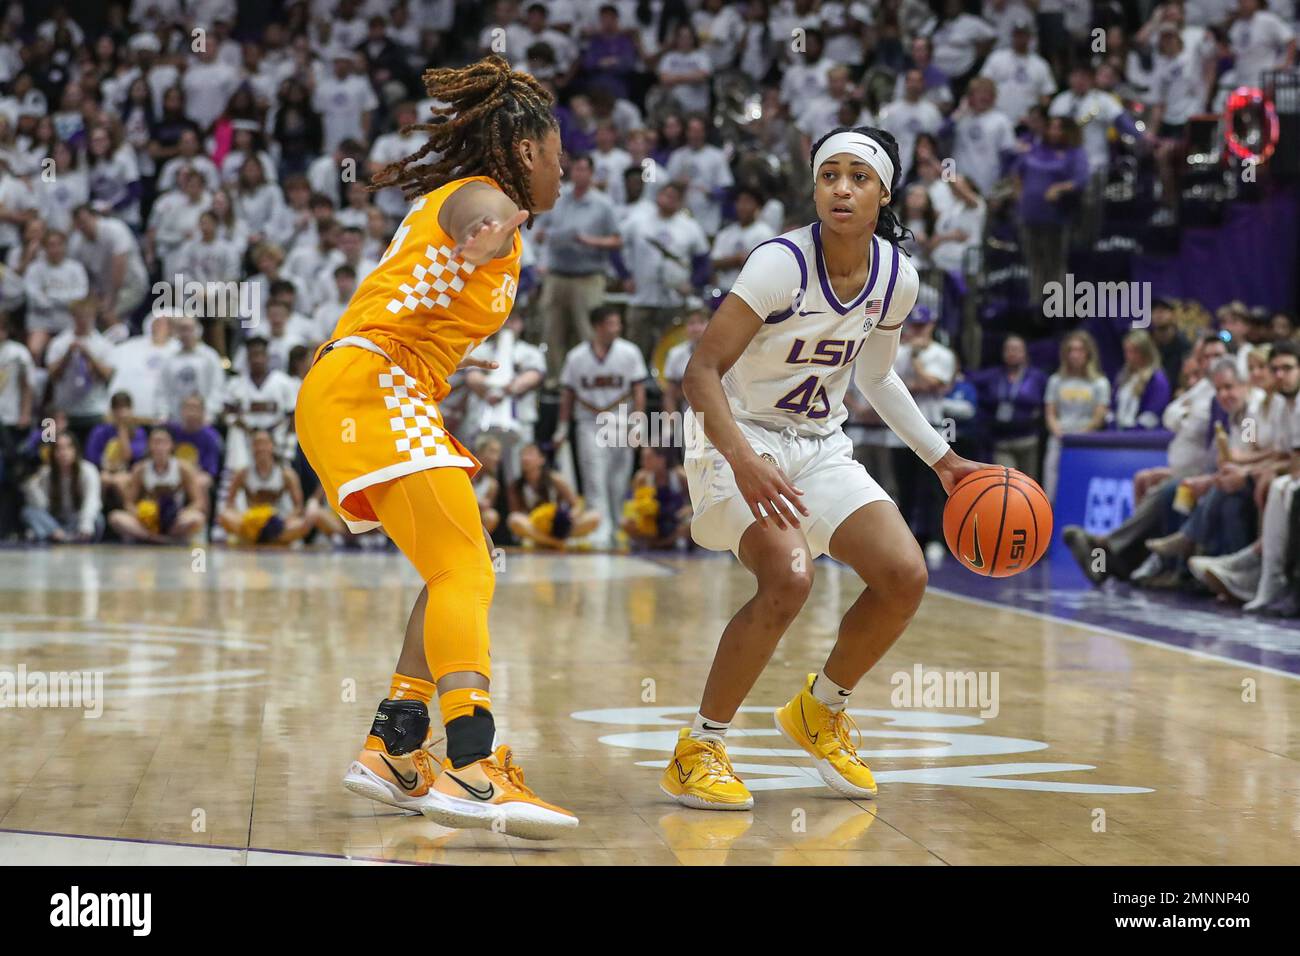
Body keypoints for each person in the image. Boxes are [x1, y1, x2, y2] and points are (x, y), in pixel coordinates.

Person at [664, 126, 989, 810]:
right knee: (787, 576)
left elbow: (877, 376)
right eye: (829, 176)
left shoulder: (897, 276)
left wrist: (943, 458)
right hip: (739, 437)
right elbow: (701, 373)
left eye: (859, 177)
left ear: (884, 192)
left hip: (819, 445)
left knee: (904, 575)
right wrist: (744, 460)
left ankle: (821, 709)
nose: (842, 188)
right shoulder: (779, 263)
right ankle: (699, 747)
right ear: (814, 189)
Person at [293, 56, 577, 838]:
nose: (565, 172)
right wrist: (490, 230)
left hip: (363, 384)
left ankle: (395, 744)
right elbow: (472, 222)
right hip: (372, 386)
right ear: (526, 152)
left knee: (450, 565)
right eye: (559, 157)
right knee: (466, 569)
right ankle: (474, 765)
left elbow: (432, 284)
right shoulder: (482, 199)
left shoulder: (468, 203)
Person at [555, 306, 648, 550]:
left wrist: (638, 422)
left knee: (619, 479)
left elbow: (638, 389)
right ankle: (600, 529)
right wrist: (562, 426)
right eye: (611, 324)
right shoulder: (576, 356)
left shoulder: (629, 352)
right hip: (589, 423)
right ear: (597, 327)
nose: (616, 328)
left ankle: (617, 527)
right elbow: (567, 393)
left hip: (621, 421)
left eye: (618, 323)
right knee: (594, 478)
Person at [107, 427, 208, 544]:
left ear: (171, 445)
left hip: (175, 519)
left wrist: (184, 512)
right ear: (149, 445)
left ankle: (168, 536)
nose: (159, 447)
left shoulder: (183, 469)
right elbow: (129, 502)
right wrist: (139, 514)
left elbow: (198, 501)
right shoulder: (140, 469)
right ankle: (155, 538)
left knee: (196, 518)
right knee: (115, 518)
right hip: (149, 519)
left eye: (163, 442)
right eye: (155, 442)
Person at [1044, 331, 1110, 501]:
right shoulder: (1056, 380)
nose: (1075, 354)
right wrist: (1058, 432)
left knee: (1079, 487)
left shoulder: (1100, 383)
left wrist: (1080, 435)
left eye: (1080, 350)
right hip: (1059, 438)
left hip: (1086, 440)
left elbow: (1099, 416)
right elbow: (1050, 412)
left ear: (1088, 353)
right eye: (1071, 350)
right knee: (1052, 485)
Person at [217, 429, 312, 545]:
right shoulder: (243, 473)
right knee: (224, 516)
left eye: (264, 443)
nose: (261, 448)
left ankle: (263, 538)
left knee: (303, 523)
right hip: (251, 521)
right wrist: (243, 517)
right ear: (252, 447)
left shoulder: (286, 474)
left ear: (272, 446)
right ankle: (267, 539)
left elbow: (298, 507)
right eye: (257, 444)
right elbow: (229, 503)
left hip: (279, 522)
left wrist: (285, 521)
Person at [506, 441, 601, 548]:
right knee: (514, 519)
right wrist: (538, 518)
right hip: (535, 526)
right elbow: (516, 513)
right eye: (523, 454)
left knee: (595, 517)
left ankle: (547, 541)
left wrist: (570, 516)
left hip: (558, 526)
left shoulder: (555, 479)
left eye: (530, 454)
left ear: (542, 460)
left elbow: (576, 505)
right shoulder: (516, 486)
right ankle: (556, 543)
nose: (525, 458)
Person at [21, 431, 103, 543]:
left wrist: (85, 525)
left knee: (98, 520)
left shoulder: (88, 470)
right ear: (53, 453)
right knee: (28, 512)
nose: (64, 453)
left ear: (75, 450)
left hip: (78, 520)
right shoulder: (47, 473)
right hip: (57, 522)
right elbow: (42, 506)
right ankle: (58, 535)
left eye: (68, 447)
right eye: (59, 449)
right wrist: (33, 485)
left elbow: (92, 500)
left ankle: (45, 534)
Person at [621, 445, 693, 550]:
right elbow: (631, 505)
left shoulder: (680, 475)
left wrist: (688, 509)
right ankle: (654, 543)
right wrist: (640, 509)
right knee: (626, 522)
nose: (643, 462)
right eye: (642, 458)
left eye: (648, 458)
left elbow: (700, 500)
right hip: (653, 521)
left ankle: (666, 542)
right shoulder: (641, 478)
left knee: (693, 524)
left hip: (675, 520)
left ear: (662, 459)